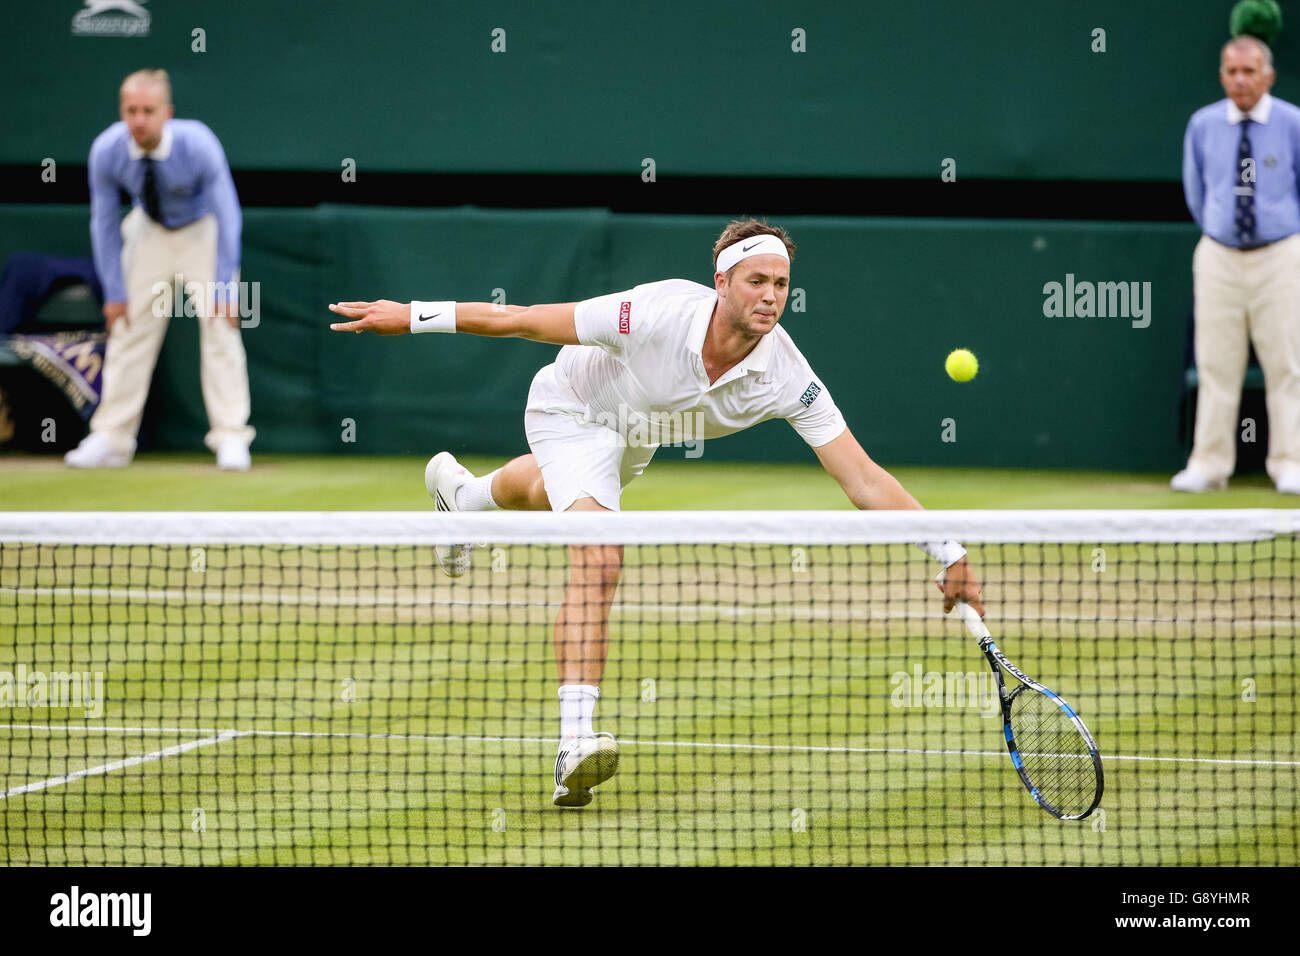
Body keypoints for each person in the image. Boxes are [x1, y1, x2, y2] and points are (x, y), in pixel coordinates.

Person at [328, 219, 985, 807]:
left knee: (544, 492)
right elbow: (521, 319)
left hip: (635, 435)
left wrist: (948, 549)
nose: (771, 296)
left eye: (781, 284)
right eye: (757, 280)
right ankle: (575, 743)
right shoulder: (651, 313)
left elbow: (865, 480)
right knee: (600, 557)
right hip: (571, 408)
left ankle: (464, 499)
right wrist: (410, 316)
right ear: (722, 282)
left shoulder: (787, 375)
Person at [64, 69, 255, 470]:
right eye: (130, 110)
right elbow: (102, 223)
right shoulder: (107, 150)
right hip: (147, 229)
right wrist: (114, 292)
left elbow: (228, 214)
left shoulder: (198, 143)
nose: (138, 120)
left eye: (147, 110)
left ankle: (231, 438)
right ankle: (111, 439)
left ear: (166, 112)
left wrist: (225, 286)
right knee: (127, 330)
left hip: (202, 231)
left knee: (221, 327)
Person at [1174, 35, 1300, 495]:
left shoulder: (1292, 123)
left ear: (1268, 75)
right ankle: (1208, 465)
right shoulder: (1202, 125)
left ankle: (1290, 463)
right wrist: (1221, 229)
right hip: (1219, 256)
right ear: (1222, 75)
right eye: (1232, 71)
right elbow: (1197, 192)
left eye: (1250, 71)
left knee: (1287, 363)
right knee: (1215, 364)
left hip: (1281, 254)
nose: (1241, 80)